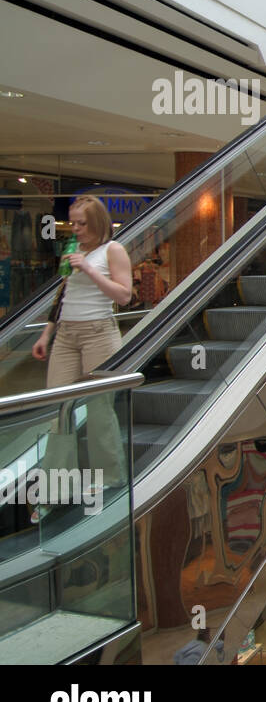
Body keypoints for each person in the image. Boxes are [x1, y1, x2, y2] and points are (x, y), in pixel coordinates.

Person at [32, 195, 132, 497]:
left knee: (99, 407)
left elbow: (124, 296)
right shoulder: (73, 248)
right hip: (66, 334)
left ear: (98, 222)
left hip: (98, 333)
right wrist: (46, 334)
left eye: (81, 223)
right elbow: (63, 296)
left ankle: (111, 476)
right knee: (58, 407)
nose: (74, 229)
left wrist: (88, 269)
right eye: (72, 222)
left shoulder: (112, 250)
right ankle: (58, 484)